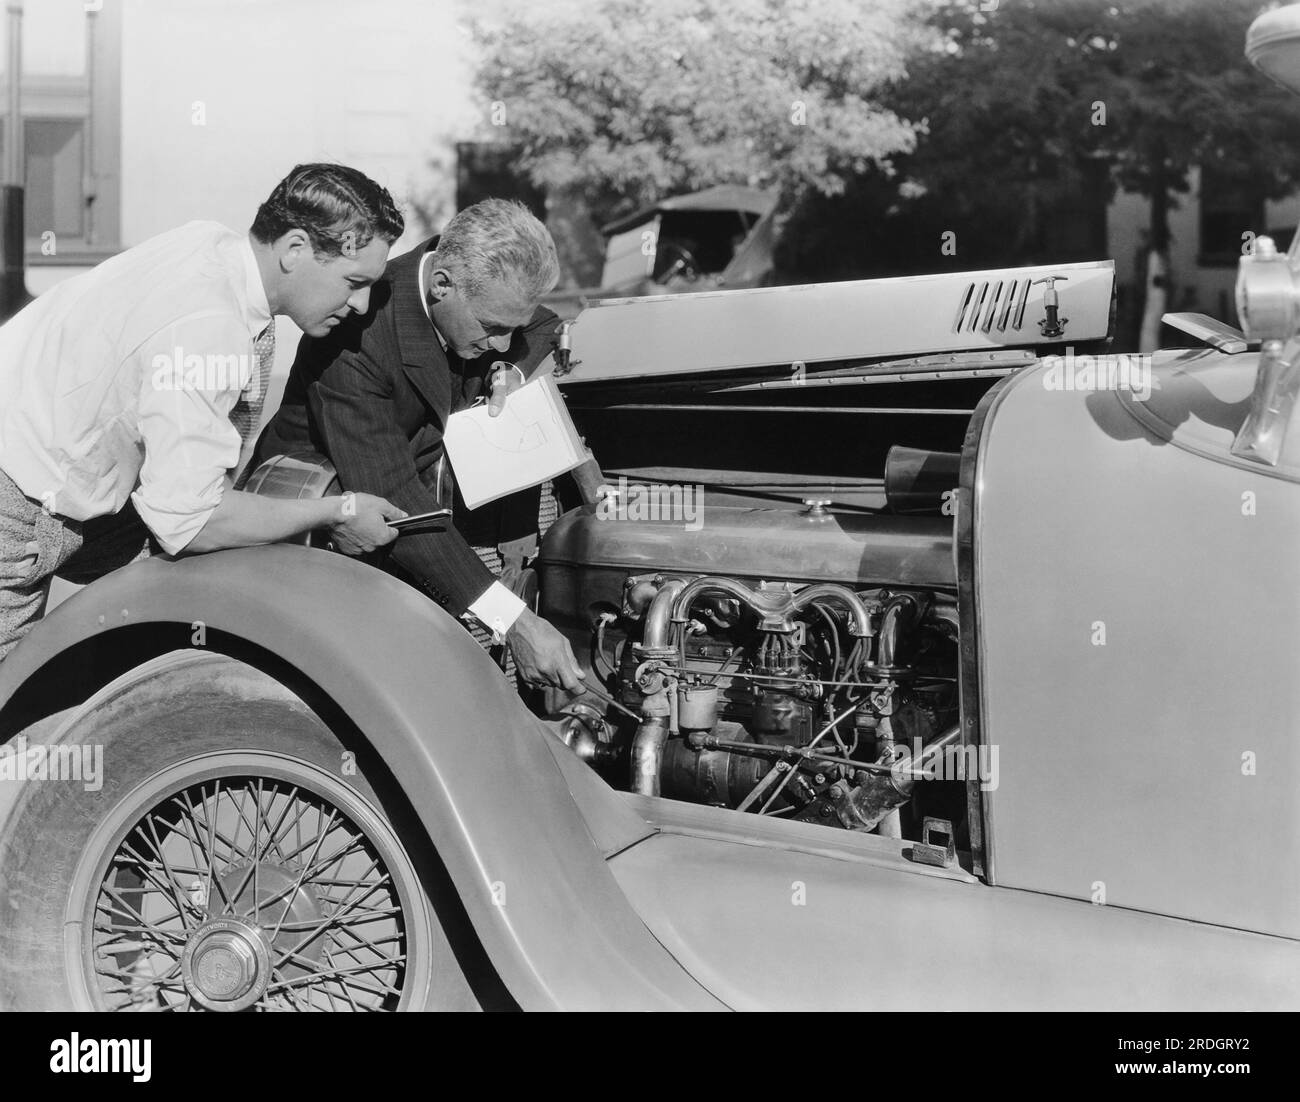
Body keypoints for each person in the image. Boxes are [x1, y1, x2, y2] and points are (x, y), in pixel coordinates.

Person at [0, 163, 408, 660]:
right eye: (353, 281)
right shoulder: (209, 329)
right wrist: (337, 512)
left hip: (59, 469)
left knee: (194, 596)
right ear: (295, 249)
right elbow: (191, 522)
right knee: (17, 710)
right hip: (18, 491)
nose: (362, 305)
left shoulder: (212, 245)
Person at [251, 198, 586, 691]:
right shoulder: (354, 333)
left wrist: (510, 369)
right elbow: (394, 499)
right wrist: (513, 620)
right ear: (441, 284)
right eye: (492, 329)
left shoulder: (482, 297)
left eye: (508, 331)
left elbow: (542, 324)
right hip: (326, 529)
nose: (498, 343)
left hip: (424, 507)